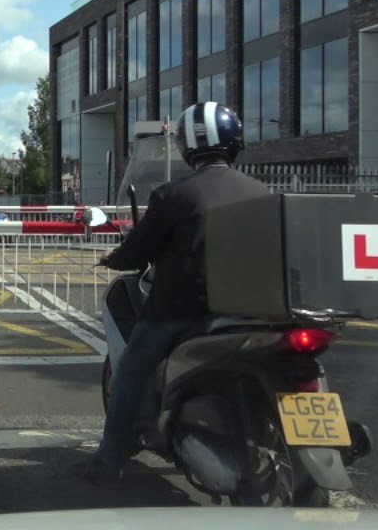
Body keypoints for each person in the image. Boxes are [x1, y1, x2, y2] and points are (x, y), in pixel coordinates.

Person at [75, 102, 271, 488]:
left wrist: (114, 258)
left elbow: (138, 250)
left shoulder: (174, 195)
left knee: (131, 369)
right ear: (234, 142)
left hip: (183, 312)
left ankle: (109, 460)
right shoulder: (262, 192)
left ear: (188, 146)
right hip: (256, 311)